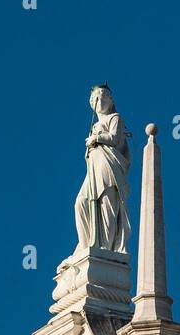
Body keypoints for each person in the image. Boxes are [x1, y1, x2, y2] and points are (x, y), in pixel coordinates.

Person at [73, 86, 130, 254]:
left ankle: (106, 247)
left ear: (111, 100)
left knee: (107, 204)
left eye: (104, 96)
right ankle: (86, 246)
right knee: (81, 203)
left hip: (109, 166)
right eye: (96, 98)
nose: (99, 99)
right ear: (92, 104)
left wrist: (96, 138)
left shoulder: (115, 118)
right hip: (94, 168)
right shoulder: (94, 125)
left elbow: (114, 138)